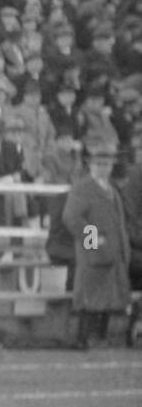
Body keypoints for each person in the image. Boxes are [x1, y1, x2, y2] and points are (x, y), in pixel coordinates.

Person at [63, 133, 132, 349]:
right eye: (99, 163)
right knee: (89, 298)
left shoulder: (112, 189)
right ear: (91, 164)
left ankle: (100, 337)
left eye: (107, 163)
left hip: (113, 252)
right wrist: (95, 242)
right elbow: (71, 218)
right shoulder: (83, 188)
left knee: (108, 298)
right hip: (93, 252)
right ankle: (83, 338)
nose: (104, 167)